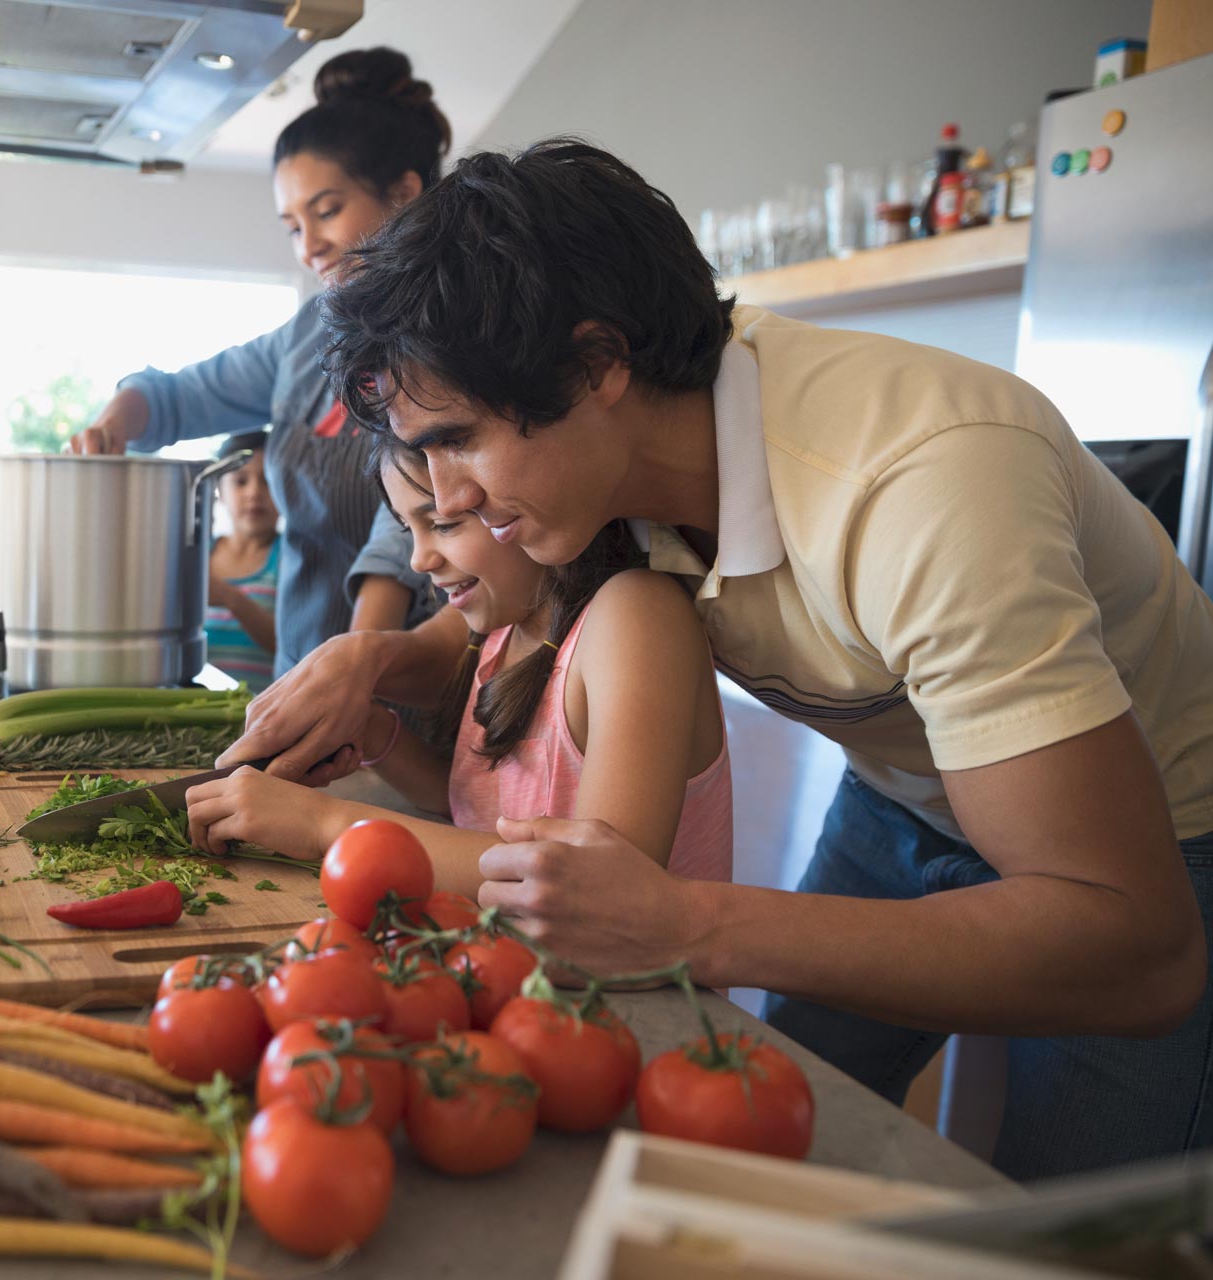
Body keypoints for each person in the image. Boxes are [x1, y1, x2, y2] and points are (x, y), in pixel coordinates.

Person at [222, 138, 1213, 1182]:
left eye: (458, 439)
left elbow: (1141, 952)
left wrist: (690, 921)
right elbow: (505, 619)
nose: (449, 498)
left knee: (1078, 1210)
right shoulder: (618, 454)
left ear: (597, 364)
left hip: (1157, 835)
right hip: (899, 789)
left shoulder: (921, 490)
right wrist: (376, 659)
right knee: (796, 1121)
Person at [188, 442, 733, 891]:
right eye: (410, 530)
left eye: (444, 524)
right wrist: (374, 732)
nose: (419, 559)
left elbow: (599, 886)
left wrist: (325, 824)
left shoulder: (637, 616)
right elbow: (474, 810)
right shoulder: (501, 632)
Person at [69, 47, 448, 688]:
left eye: (326, 211)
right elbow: (178, 397)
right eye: (293, 227)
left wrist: (354, 671)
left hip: (397, 682)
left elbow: (408, 519)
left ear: (404, 194)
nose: (310, 246)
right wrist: (116, 421)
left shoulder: (449, 335)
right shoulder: (309, 336)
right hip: (300, 675)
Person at [205, 431, 280, 690]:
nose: (254, 492)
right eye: (240, 481)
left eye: (268, 480)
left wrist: (231, 598)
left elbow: (289, 644)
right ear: (219, 488)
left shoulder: (291, 558)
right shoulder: (200, 555)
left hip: (262, 707)